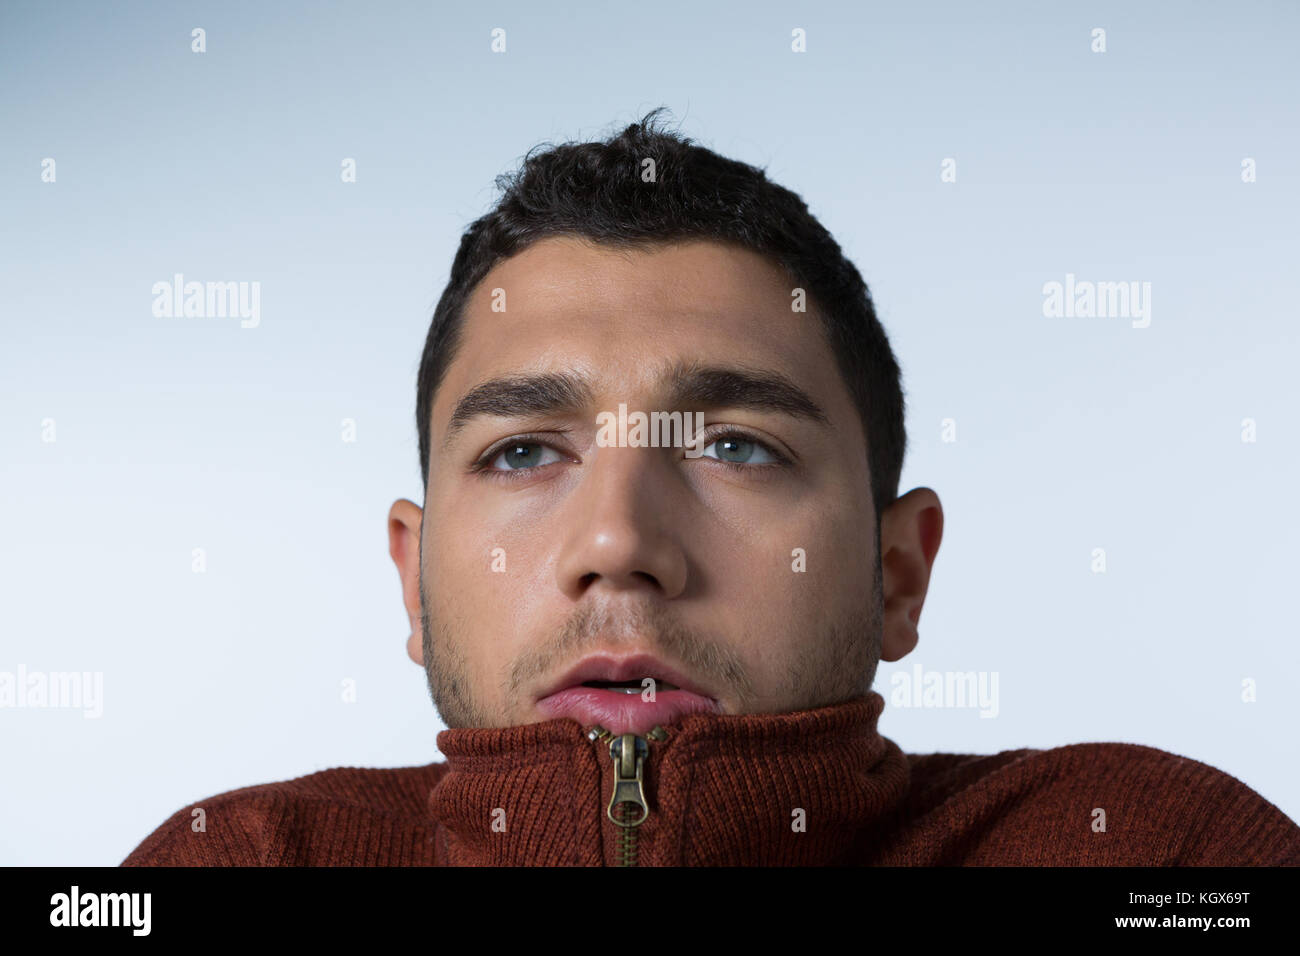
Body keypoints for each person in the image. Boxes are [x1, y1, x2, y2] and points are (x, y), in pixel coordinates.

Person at [122, 109, 1300, 866]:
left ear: (898, 572)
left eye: (735, 445)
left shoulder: (1160, 858)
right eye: (526, 450)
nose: (620, 540)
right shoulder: (244, 858)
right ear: (414, 578)